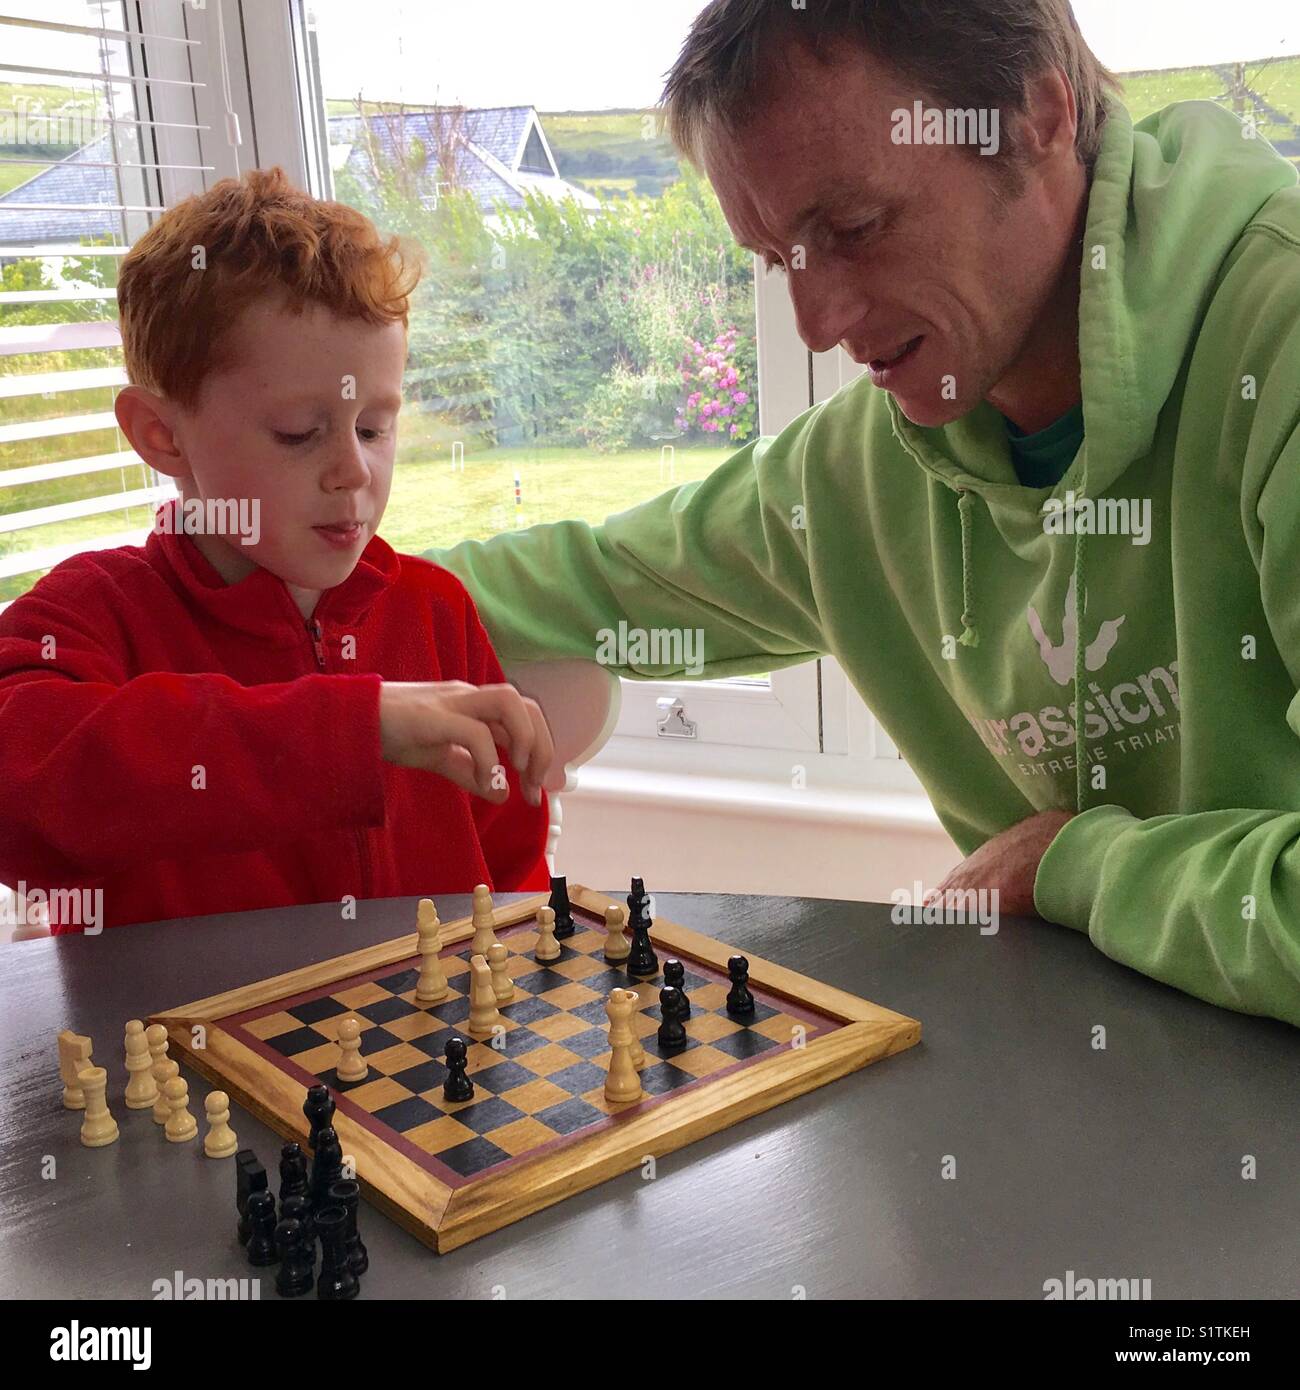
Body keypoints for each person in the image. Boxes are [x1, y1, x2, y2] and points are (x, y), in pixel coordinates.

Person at [427, 1, 1300, 1027]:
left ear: (1038, 117)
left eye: (852, 229)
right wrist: (268, 593)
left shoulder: (1274, 341)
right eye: (773, 259)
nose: (816, 323)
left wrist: (1076, 865)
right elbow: (588, 581)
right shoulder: (859, 473)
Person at [0, 167, 553, 933]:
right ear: (161, 435)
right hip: (183, 1048)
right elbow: (20, 797)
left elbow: (514, 870)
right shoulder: (92, 614)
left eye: (374, 427)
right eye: (299, 431)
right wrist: (352, 732)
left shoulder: (435, 609)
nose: (354, 471)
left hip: (429, 1041)